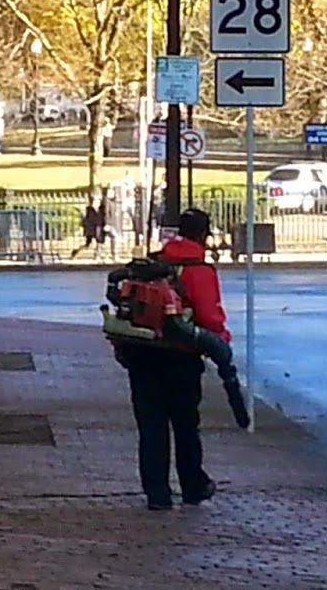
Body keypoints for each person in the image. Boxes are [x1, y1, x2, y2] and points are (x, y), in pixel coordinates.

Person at [116, 207, 228, 510]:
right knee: (185, 425)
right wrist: (221, 344)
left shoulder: (154, 263)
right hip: (181, 357)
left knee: (151, 427)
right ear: (204, 235)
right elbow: (208, 316)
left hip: (142, 353)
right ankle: (192, 486)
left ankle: (157, 492)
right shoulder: (199, 270)